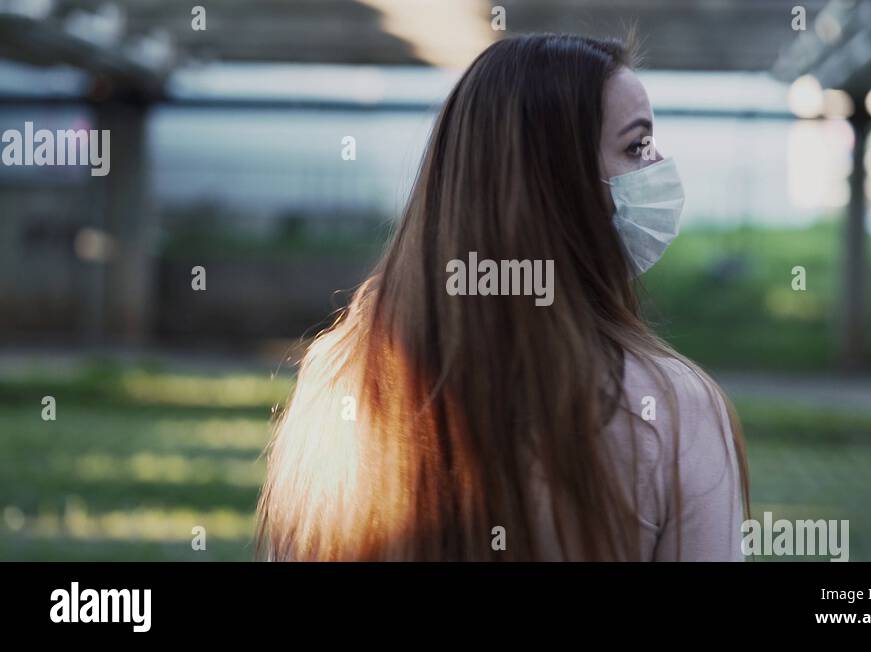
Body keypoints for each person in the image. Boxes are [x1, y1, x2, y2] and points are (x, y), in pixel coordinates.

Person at [257, 33, 749, 561]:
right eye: (637, 146)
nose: (660, 167)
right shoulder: (674, 409)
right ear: (554, 184)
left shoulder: (338, 381)